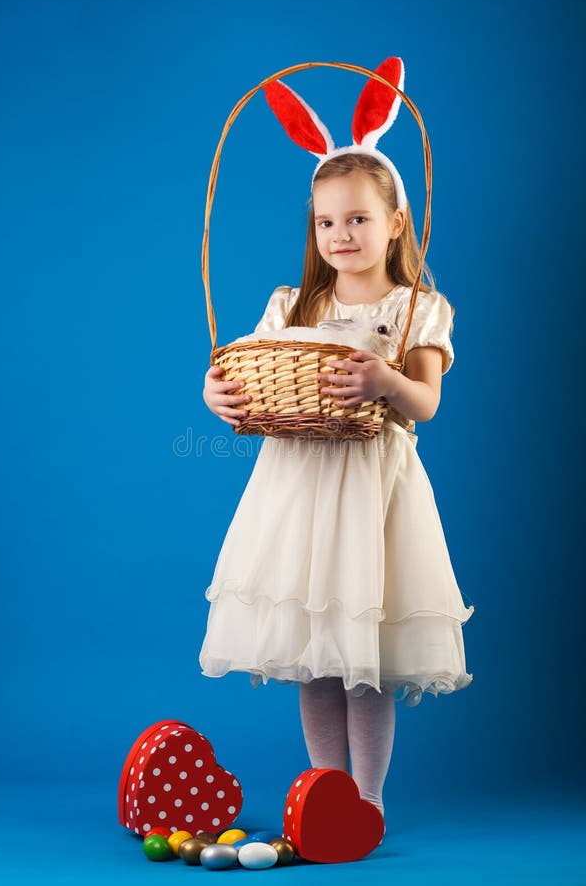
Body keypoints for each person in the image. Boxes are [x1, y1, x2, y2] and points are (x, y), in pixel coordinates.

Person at [199, 59, 474, 834]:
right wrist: (215, 397)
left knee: (364, 658)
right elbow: (247, 382)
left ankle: (370, 800)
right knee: (315, 655)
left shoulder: (415, 306)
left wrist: (386, 381)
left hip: (371, 492)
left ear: (394, 222)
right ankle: (325, 796)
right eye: (326, 222)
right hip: (298, 488)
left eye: (357, 219)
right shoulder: (293, 305)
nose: (341, 235)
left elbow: (424, 401)